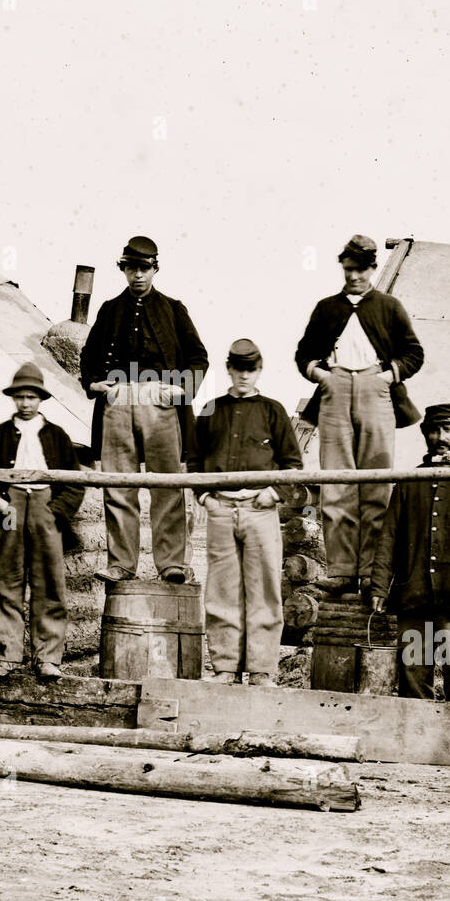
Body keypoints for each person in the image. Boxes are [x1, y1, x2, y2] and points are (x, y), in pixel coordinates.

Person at [295, 234, 424, 600]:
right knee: (336, 483)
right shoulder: (326, 308)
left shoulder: (389, 306)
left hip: (375, 390)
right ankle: (340, 570)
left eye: (362, 269)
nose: (354, 276)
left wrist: (387, 377)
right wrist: (320, 375)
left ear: (372, 268)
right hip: (334, 391)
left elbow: (413, 353)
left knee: (376, 483)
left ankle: (371, 573)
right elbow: (304, 352)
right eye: (349, 269)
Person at [79, 235, 208, 584]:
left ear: (155, 269)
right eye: (131, 268)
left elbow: (198, 356)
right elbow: (89, 355)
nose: (138, 275)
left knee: (167, 486)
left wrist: (180, 390)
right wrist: (95, 384)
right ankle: (121, 564)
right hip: (118, 401)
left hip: (159, 402)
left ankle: (172, 564)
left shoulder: (173, 309)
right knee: (119, 487)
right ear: (123, 269)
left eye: (144, 268)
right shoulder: (109, 310)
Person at [190, 339, 303, 685]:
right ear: (229, 369)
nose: (244, 375)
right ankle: (225, 667)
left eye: (250, 369)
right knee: (222, 590)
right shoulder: (210, 410)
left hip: (260, 509)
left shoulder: (273, 411)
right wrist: (205, 497)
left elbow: (293, 463)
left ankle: (261, 670)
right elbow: (194, 460)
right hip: (221, 509)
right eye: (238, 368)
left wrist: (275, 493)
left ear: (259, 370)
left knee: (264, 589)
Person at [370, 403, 450, 702]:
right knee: (413, 671)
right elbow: (389, 537)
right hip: (414, 595)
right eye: (434, 430)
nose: (440, 437)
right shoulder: (410, 481)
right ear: (425, 434)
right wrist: (379, 586)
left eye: (447, 430)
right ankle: (414, 728)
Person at [0, 363, 85, 681]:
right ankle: (5, 655)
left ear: (41, 399)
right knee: (6, 578)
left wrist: (55, 511)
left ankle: (48, 658)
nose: (25, 403)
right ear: (13, 399)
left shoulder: (57, 436)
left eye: (31, 397)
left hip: (45, 509)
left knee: (49, 581)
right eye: (20, 397)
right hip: (11, 508)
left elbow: (75, 482)